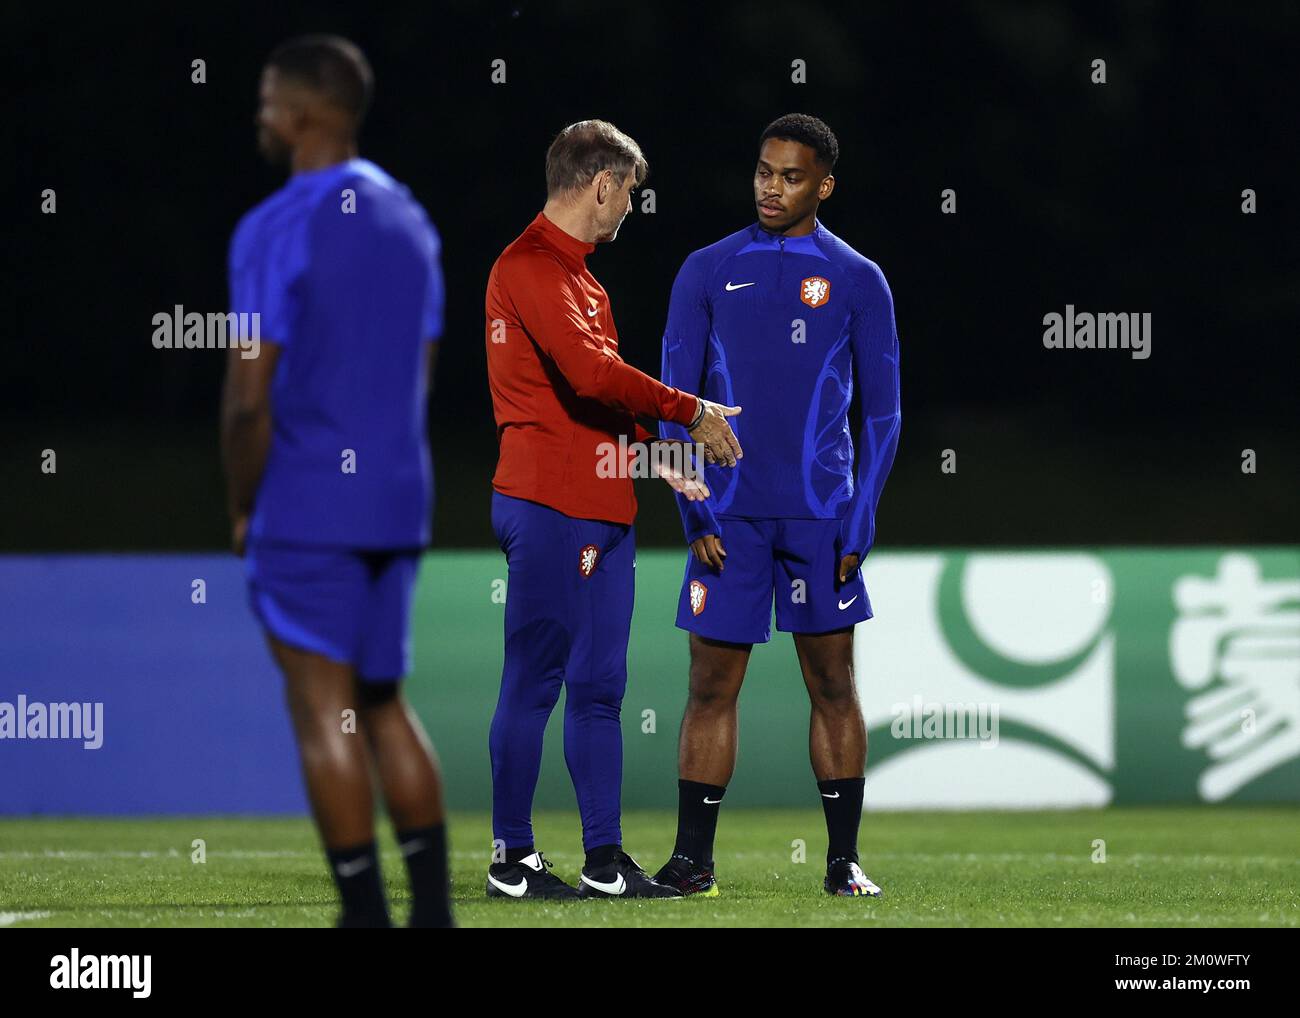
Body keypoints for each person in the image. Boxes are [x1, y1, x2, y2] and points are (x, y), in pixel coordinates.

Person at [221, 35, 451, 928]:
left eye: (270, 99)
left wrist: (245, 502)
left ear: (308, 112)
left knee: (324, 710)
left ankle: (364, 917)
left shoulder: (272, 225)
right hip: (397, 497)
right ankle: (432, 915)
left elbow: (248, 397)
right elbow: (418, 369)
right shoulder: (410, 218)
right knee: (383, 705)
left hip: (309, 499)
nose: (261, 116)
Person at [483, 119, 740, 900]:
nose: (632, 205)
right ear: (602, 184)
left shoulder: (585, 281)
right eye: (630, 190)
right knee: (534, 682)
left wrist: (657, 457)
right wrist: (690, 410)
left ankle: (603, 861)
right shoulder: (528, 265)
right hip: (547, 505)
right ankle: (513, 861)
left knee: (600, 687)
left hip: (603, 504)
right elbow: (592, 377)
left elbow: (598, 412)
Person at [654, 114, 902, 898]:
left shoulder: (859, 278)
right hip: (727, 519)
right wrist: (692, 507)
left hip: (820, 520)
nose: (771, 186)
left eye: (791, 176)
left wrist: (860, 520)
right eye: (764, 171)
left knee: (833, 686)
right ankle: (693, 862)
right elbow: (670, 403)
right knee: (707, 687)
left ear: (823, 185)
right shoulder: (705, 269)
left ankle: (843, 862)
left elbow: (884, 415)